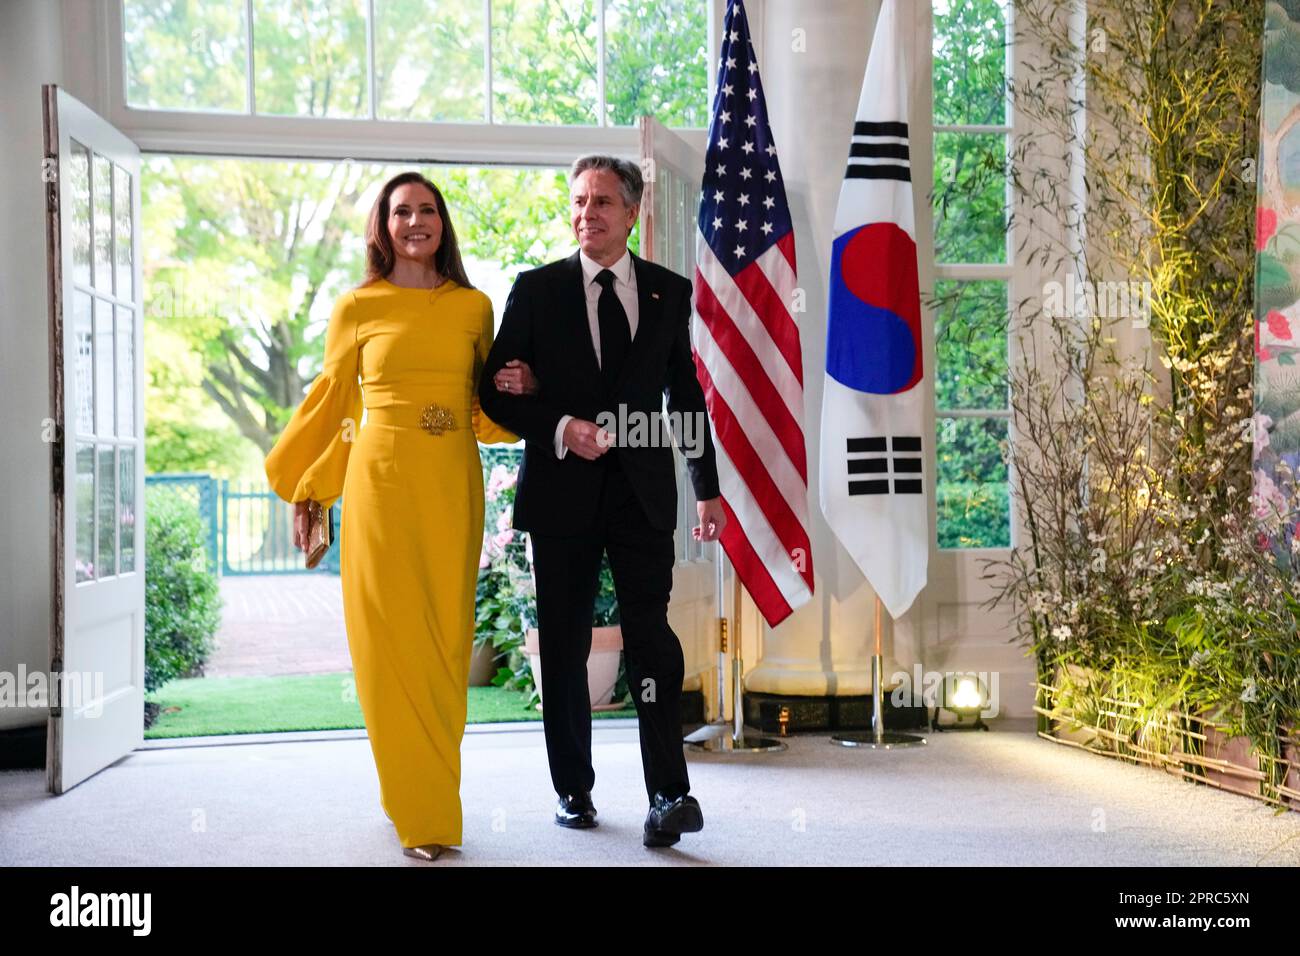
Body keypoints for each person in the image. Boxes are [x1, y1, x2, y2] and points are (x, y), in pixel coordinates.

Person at [264, 172, 535, 862]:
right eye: (401, 211)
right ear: (382, 228)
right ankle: (424, 812)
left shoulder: (475, 307)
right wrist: (311, 488)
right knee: (391, 650)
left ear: (441, 222)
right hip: (379, 486)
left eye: (427, 210)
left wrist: (521, 393)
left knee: (446, 646)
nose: (416, 221)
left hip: (449, 485)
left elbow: (481, 413)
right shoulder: (356, 306)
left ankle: (420, 793)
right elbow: (334, 404)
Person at [479, 154, 726, 849]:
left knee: (654, 643)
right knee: (564, 645)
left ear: (633, 212)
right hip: (561, 495)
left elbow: (685, 394)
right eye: (579, 201)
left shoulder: (668, 293)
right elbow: (493, 389)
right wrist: (559, 425)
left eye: (603, 202)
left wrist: (706, 486)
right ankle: (573, 790)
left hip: (643, 494)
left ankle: (668, 794)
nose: (588, 213)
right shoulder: (535, 291)